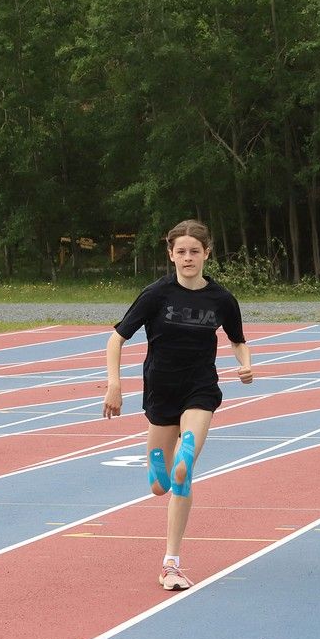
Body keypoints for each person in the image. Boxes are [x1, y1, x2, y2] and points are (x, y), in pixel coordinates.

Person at [103, 220, 253, 591]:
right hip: (161, 390)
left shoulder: (221, 299)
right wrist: (114, 384)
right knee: (160, 486)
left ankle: (171, 561)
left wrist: (245, 363)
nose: (188, 258)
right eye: (181, 251)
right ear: (171, 254)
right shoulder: (156, 294)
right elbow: (116, 339)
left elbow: (237, 339)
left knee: (185, 469)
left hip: (200, 387)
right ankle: (165, 465)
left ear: (207, 254)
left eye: (195, 251)